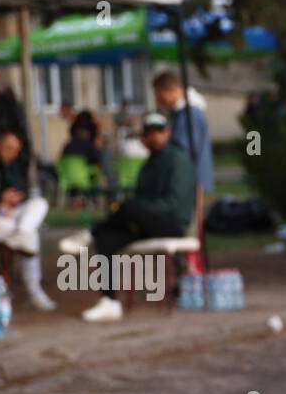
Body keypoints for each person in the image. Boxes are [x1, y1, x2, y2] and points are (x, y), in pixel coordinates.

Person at [60, 112, 196, 322]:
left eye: (158, 132)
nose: (154, 137)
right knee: (106, 238)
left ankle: (88, 233)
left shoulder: (177, 160)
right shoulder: (148, 165)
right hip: (147, 223)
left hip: (172, 223)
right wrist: (140, 213)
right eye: (149, 133)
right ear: (143, 138)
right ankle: (110, 302)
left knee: (129, 206)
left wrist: (141, 210)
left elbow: (174, 204)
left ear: (167, 133)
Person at [0, 129, 55, 311]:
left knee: (39, 203)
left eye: (16, 149)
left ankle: (21, 234)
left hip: (8, 216)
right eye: (9, 148)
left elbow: (18, 189)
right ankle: (34, 291)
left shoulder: (9, 165)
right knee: (30, 234)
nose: (13, 153)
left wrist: (11, 200)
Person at [151, 71, 214, 195]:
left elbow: (182, 150)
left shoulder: (190, 114)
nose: (158, 100)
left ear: (172, 90)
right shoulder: (182, 113)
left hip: (191, 182)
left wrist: (161, 143)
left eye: (159, 95)